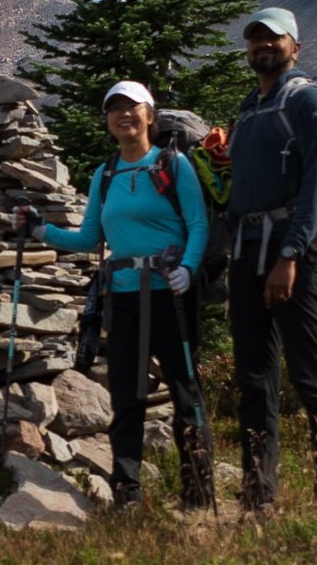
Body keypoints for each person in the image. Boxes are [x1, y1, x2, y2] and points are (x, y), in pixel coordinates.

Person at [19, 81, 210, 508]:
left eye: (132, 107)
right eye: (115, 109)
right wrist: (41, 231)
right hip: (122, 296)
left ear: (149, 115)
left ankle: (198, 490)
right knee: (126, 396)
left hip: (171, 293)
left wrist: (188, 269)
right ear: (107, 120)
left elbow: (198, 224)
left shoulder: (173, 164)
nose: (124, 115)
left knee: (185, 393)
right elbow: (90, 238)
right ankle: (127, 491)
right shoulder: (105, 175)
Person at [226, 7, 317, 513]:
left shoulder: (309, 102)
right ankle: (258, 497)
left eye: (273, 38)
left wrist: (290, 254)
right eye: (255, 39)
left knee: (311, 374)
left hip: (295, 252)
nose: (263, 45)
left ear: (295, 47)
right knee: (254, 380)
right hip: (247, 252)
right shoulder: (249, 109)